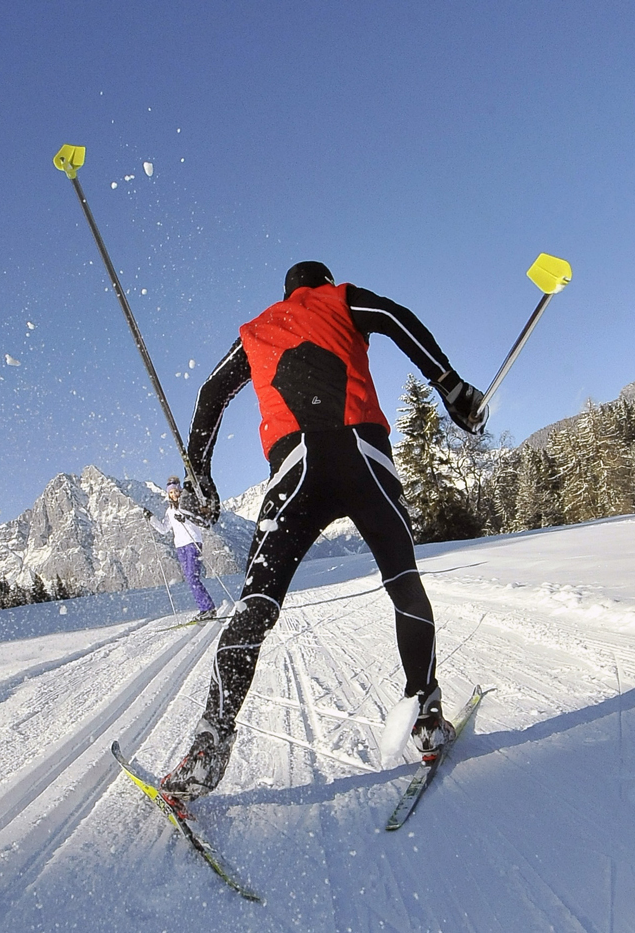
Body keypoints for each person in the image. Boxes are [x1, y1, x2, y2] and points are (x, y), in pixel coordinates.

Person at [160, 260, 487, 799]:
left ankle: (210, 746)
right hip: (363, 457)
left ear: (286, 291)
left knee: (255, 606)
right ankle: (427, 717)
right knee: (404, 584)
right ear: (322, 283)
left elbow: (208, 396)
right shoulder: (341, 300)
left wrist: (200, 476)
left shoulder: (256, 329)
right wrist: (449, 385)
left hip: (296, 470)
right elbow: (395, 318)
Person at [145, 476, 217, 622]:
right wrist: (151, 518)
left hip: (192, 542)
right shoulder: (170, 511)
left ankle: (208, 608)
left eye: (176, 491)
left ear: (180, 491)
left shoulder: (188, 503)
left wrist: (186, 519)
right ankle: (205, 608)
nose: (174, 494)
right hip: (180, 546)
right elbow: (164, 529)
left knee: (192, 577)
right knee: (190, 579)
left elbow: (198, 520)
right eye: (171, 493)